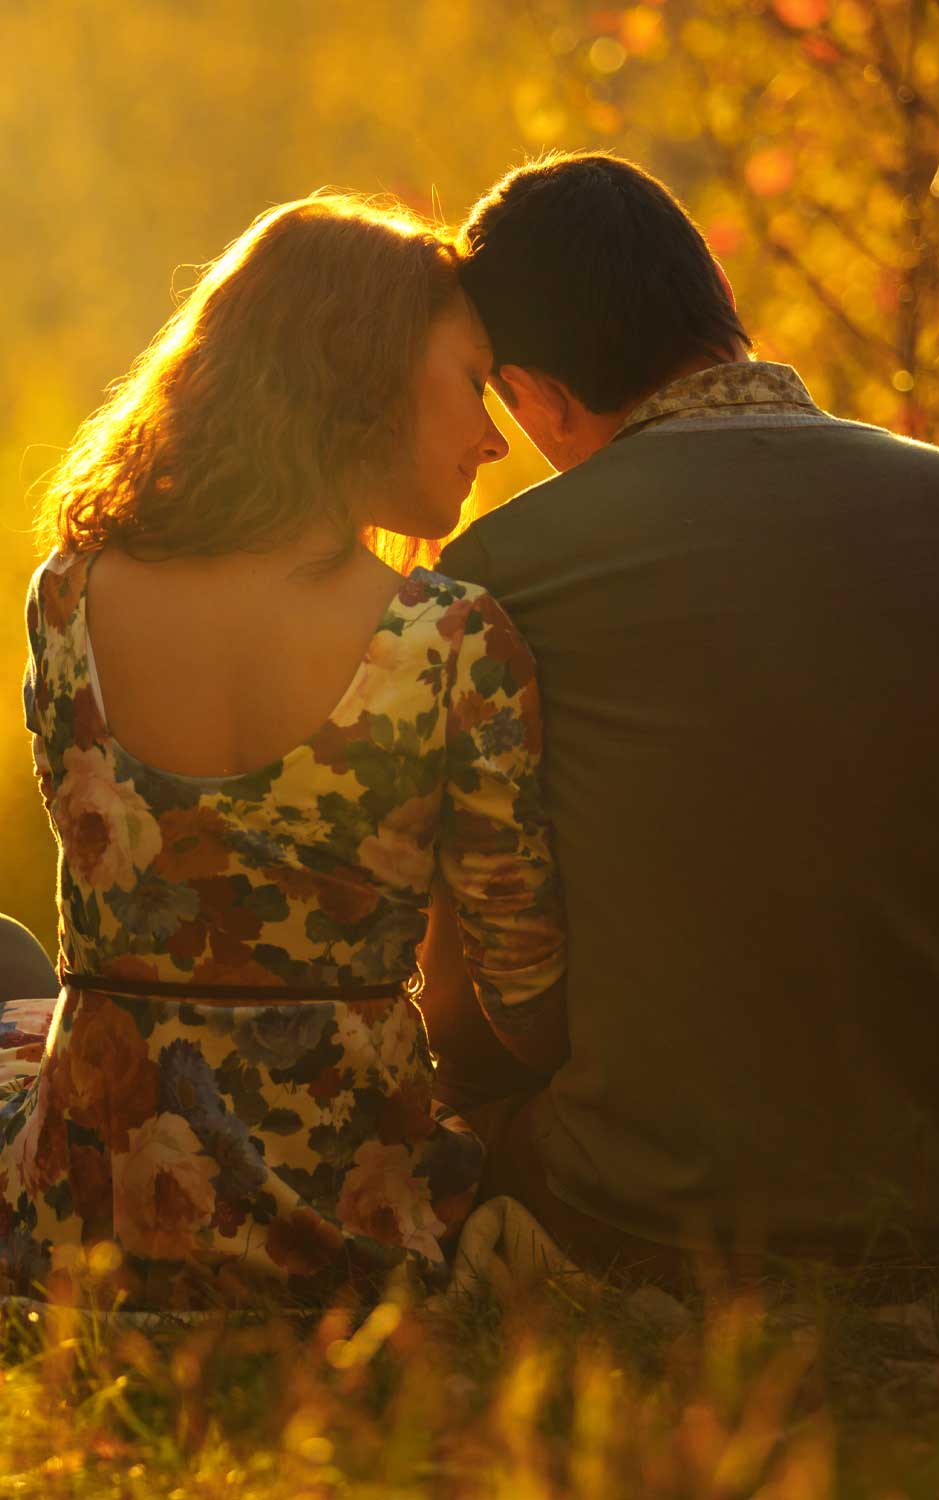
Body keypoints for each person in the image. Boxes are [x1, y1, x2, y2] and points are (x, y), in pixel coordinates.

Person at [428, 150, 939, 1279]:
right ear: (717, 313)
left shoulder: (503, 572)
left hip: (648, 1210)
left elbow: (465, 1012)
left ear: (536, 392)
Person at [4, 193, 566, 1316]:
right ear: (356, 371)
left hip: (86, 1250)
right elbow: (528, 1006)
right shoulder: (449, 639)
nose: (492, 434)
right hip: (355, 1254)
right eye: (470, 381)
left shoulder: (67, 597)